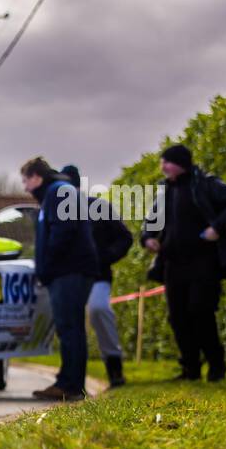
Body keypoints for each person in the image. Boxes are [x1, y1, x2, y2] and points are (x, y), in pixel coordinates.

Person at [140, 144, 226, 382]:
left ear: (180, 162)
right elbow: (152, 221)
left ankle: (216, 365)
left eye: (166, 161)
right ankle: (190, 368)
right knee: (177, 316)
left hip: (204, 260)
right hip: (173, 263)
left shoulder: (206, 184)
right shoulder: (165, 191)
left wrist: (218, 228)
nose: (162, 166)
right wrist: (147, 238)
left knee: (201, 311)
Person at [20, 156, 100, 401]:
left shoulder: (59, 192)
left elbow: (62, 233)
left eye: (26, 180)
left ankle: (71, 385)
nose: (25, 187)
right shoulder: (56, 193)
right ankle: (68, 381)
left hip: (69, 271)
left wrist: (48, 266)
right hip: (68, 271)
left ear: (37, 177)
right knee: (70, 327)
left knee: (69, 327)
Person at [60, 164, 133, 387]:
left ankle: (114, 366)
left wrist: (105, 257)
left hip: (97, 275)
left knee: (99, 310)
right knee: (68, 322)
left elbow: (124, 238)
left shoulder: (99, 207)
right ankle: (69, 375)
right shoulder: (55, 212)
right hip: (67, 278)